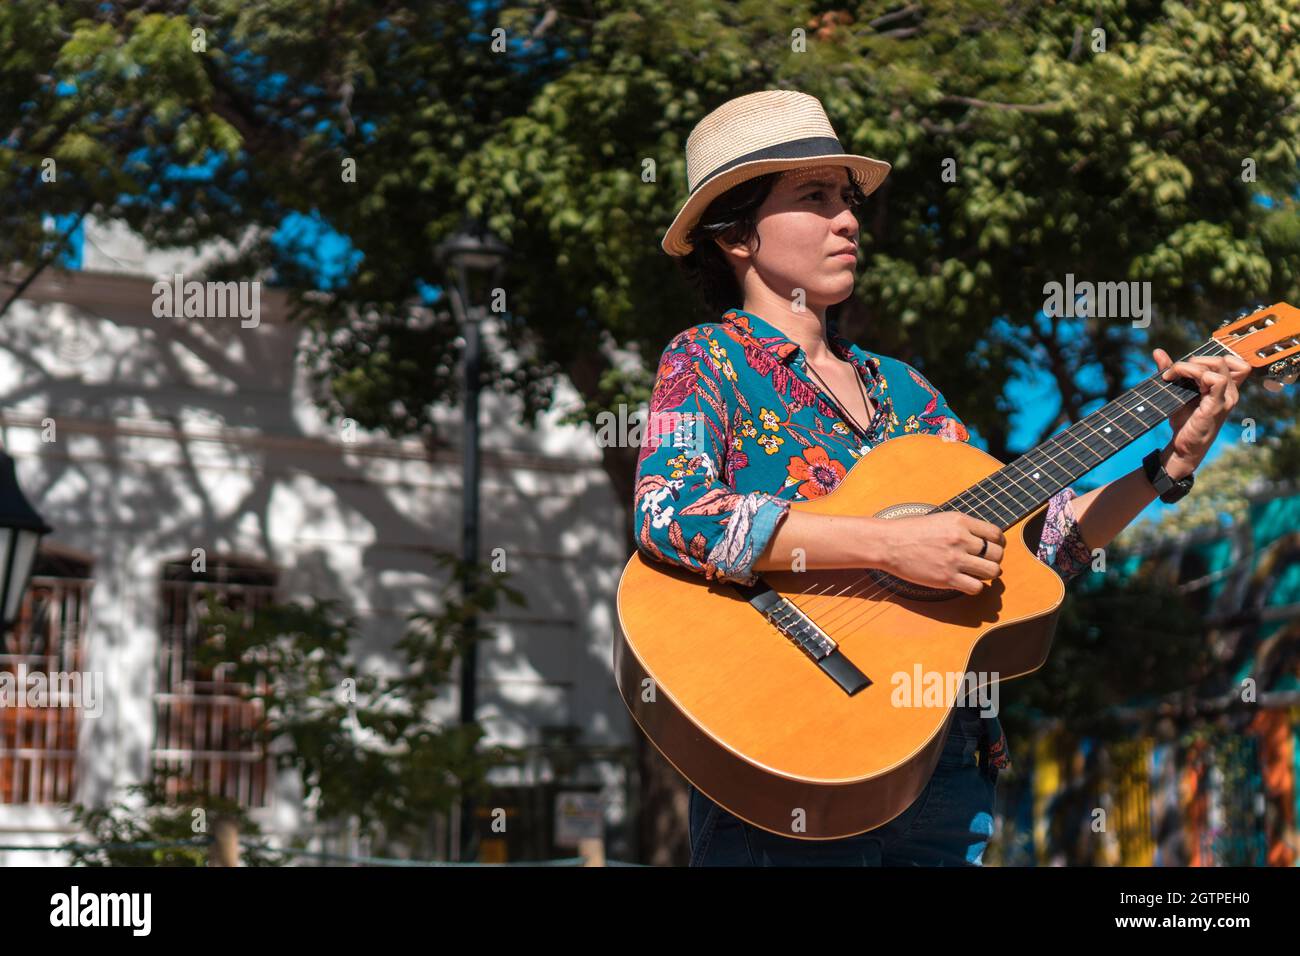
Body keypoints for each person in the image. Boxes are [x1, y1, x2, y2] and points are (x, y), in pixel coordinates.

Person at [637, 89, 1253, 866]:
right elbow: (670, 513)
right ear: (734, 233)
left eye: (848, 199)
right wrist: (890, 548)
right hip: (792, 757)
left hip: (948, 764)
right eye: (814, 198)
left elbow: (1042, 548)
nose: (849, 220)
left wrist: (1168, 466)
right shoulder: (705, 360)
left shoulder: (907, 390)